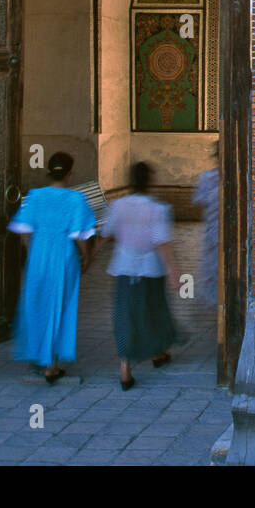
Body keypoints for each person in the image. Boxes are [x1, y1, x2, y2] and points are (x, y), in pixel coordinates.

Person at [8, 152, 97, 383]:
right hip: (64, 256)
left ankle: (41, 355)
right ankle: (52, 364)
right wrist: (86, 257)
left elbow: (25, 230)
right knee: (60, 306)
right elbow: (81, 235)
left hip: (40, 254)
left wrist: (31, 252)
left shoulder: (35, 196)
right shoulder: (76, 199)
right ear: (70, 173)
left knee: (38, 303)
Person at [101, 161, 179, 391]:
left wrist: (89, 259)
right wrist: (174, 272)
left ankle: (125, 368)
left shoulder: (118, 206)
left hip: (124, 267)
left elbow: (105, 235)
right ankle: (157, 352)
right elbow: (162, 242)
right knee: (154, 311)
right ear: (150, 181)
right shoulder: (158, 209)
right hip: (151, 269)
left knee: (124, 316)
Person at [192, 142, 219, 308]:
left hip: (214, 229)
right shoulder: (242, 176)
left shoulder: (207, 178)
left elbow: (201, 201)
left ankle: (218, 299)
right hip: (216, 229)